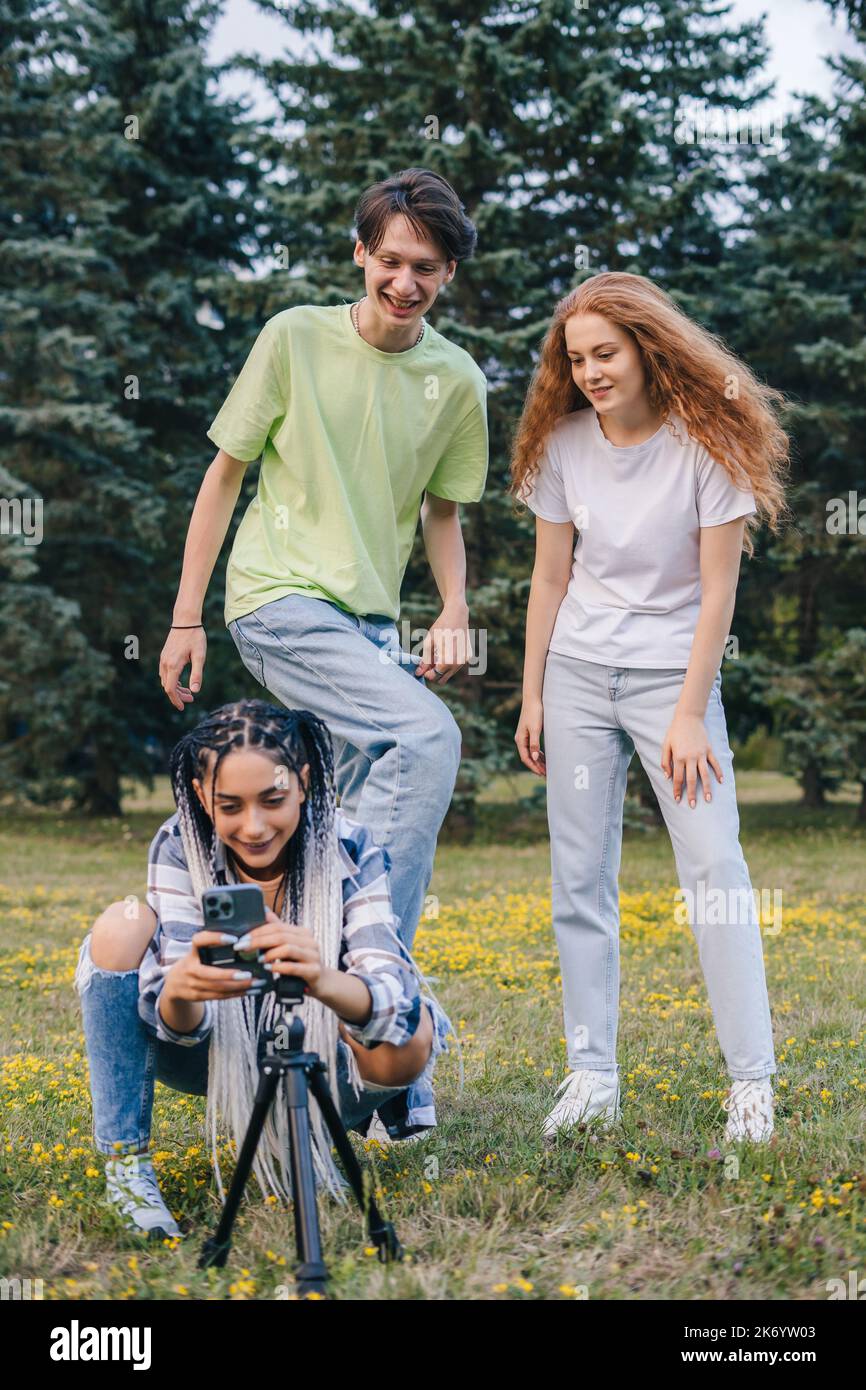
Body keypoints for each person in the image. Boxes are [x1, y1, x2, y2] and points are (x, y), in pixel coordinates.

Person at [158, 167, 488, 1142]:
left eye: (423, 267)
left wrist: (455, 605)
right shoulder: (293, 339)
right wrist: (187, 618)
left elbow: (441, 510)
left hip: (373, 625)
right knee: (426, 739)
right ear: (359, 254)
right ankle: (395, 1006)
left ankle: (362, 1056)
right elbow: (224, 477)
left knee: (340, 818)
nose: (403, 282)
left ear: (447, 274)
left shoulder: (457, 381)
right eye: (388, 260)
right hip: (277, 601)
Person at [510, 271, 790, 1146]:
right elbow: (550, 576)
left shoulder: (706, 444)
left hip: (676, 680)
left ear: (646, 349)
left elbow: (717, 594)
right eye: (577, 357)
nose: (591, 370)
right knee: (578, 881)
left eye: (606, 353)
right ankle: (592, 1075)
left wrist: (687, 715)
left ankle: (752, 1082)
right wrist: (531, 692)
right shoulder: (561, 444)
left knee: (715, 873)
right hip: (578, 678)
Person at [74, 699, 452, 1240]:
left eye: (272, 800)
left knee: (412, 1035)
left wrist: (322, 977)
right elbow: (178, 1026)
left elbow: (391, 995)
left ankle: (308, 1131)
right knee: (120, 924)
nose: (253, 827)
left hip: (320, 1056)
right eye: (230, 806)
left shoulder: (350, 844)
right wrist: (181, 992)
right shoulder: (181, 843)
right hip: (214, 1049)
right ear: (203, 797)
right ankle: (127, 1168)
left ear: (301, 782)